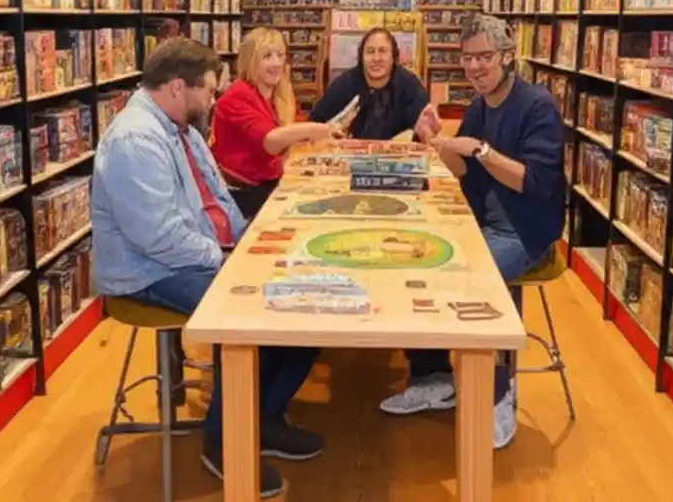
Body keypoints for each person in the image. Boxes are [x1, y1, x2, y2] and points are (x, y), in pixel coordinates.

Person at [92, 38, 322, 498]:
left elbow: (217, 201)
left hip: (195, 253)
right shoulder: (136, 140)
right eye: (210, 91)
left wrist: (249, 241)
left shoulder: (183, 128)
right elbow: (158, 239)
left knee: (307, 301)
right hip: (150, 271)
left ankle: (265, 418)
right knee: (254, 312)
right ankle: (225, 442)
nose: (215, 99)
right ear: (179, 87)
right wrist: (229, 260)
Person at [380, 13, 566, 450]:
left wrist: (483, 150)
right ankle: (436, 377)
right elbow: (464, 169)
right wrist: (434, 142)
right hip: (480, 220)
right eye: (467, 59)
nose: (475, 67)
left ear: (507, 56)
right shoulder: (481, 105)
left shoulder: (537, 105)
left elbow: (536, 184)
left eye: (484, 57)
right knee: (419, 263)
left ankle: (499, 395)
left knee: (471, 285)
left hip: (523, 231)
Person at [211, 27, 342, 218]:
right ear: (250, 62)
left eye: (280, 55)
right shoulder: (237, 95)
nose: (276, 63)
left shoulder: (281, 92)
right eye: (267, 56)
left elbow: (291, 135)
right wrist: (316, 130)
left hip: (271, 183)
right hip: (244, 195)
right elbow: (270, 142)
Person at [308, 27, 429, 141]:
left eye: (382, 51)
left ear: (393, 58)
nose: (376, 58)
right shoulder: (345, 84)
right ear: (361, 58)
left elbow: (423, 132)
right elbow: (314, 123)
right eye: (370, 52)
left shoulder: (410, 86)